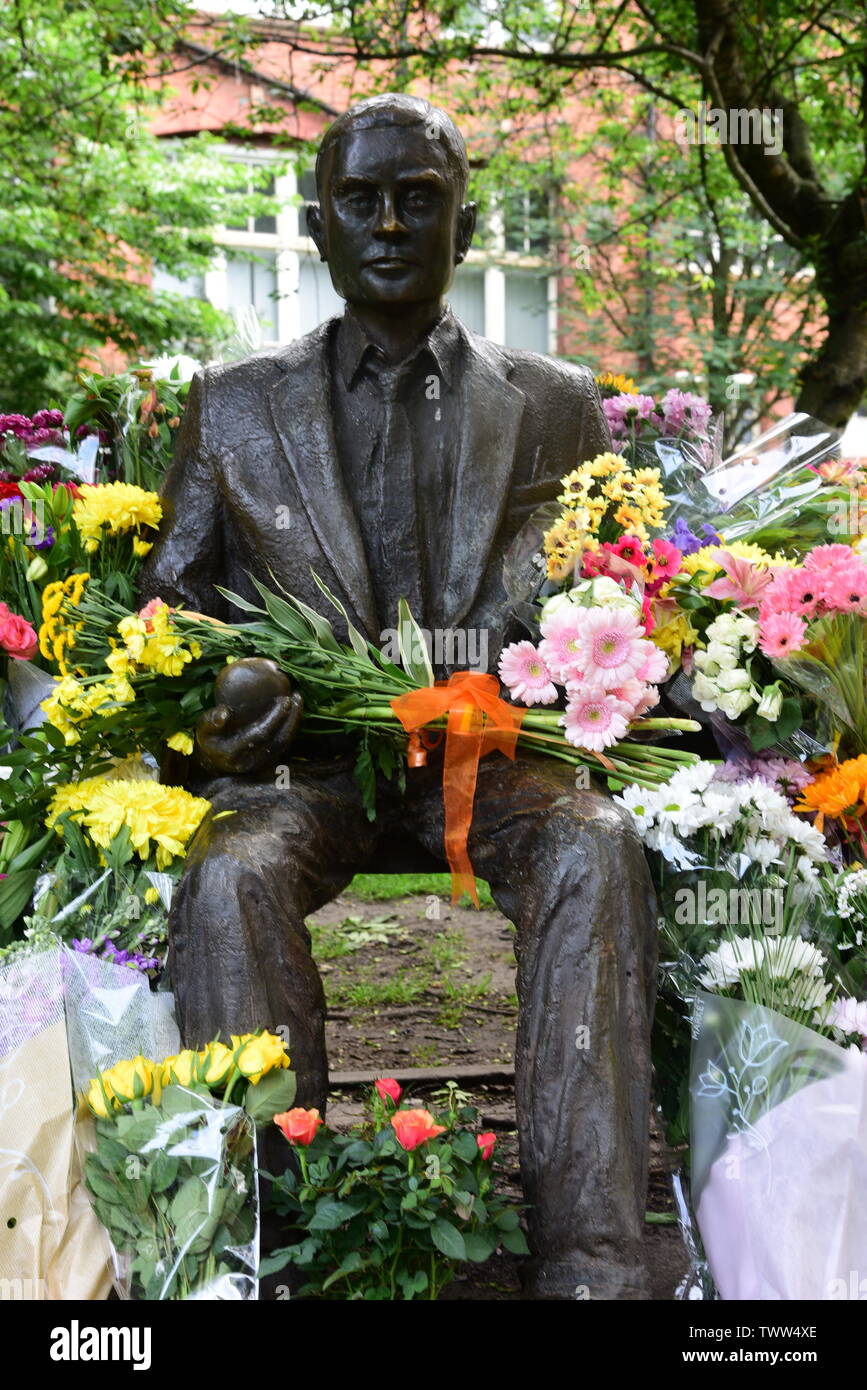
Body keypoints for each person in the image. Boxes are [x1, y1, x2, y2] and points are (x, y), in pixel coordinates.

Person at [139, 94, 657, 1300]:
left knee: (597, 842)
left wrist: (595, 663)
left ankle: (592, 1255)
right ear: (317, 228)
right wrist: (221, 695)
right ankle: (259, 1243)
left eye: (417, 200)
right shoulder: (236, 404)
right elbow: (169, 621)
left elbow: (624, 592)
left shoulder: (556, 403)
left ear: (463, 226)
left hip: (498, 756)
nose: (388, 223)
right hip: (313, 766)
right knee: (229, 872)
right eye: (360, 202)